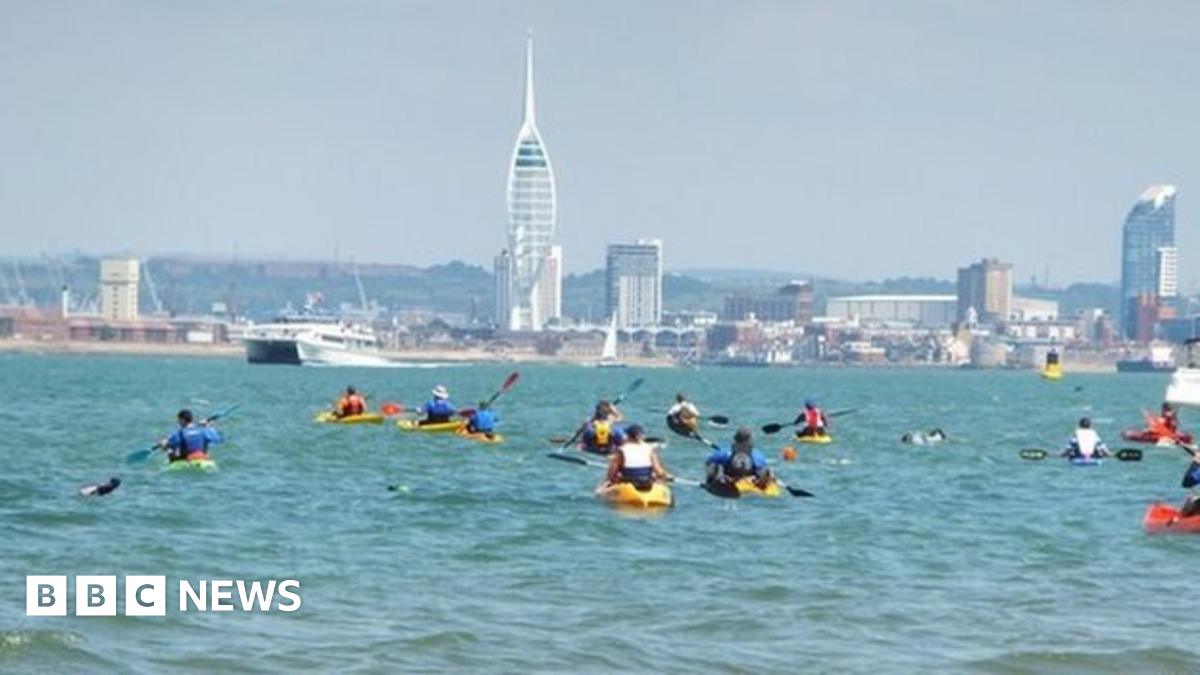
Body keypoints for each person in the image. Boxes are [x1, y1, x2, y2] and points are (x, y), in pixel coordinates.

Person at [596, 424, 671, 492]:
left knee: (609, 481)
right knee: (657, 478)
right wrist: (665, 476)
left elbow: (612, 473)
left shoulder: (622, 450)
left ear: (628, 436)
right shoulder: (649, 449)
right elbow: (658, 471)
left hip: (629, 482)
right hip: (646, 482)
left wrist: (609, 481)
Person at [706, 427, 773, 488]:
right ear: (750, 441)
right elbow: (761, 465)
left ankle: (719, 479)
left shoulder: (724, 452)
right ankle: (761, 482)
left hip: (729, 476)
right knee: (764, 469)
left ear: (735, 439)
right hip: (750, 477)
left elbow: (709, 462)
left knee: (715, 465)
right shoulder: (757, 454)